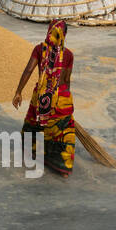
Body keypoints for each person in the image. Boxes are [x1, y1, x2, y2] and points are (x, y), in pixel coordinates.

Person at [12, 19, 75, 177]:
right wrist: (66, 103)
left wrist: (18, 92)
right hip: (61, 98)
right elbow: (66, 80)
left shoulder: (39, 49)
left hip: (41, 97)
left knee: (35, 124)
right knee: (62, 131)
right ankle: (63, 166)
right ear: (64, 34)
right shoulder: (68, 55)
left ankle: (32, 152)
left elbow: (28, 70)